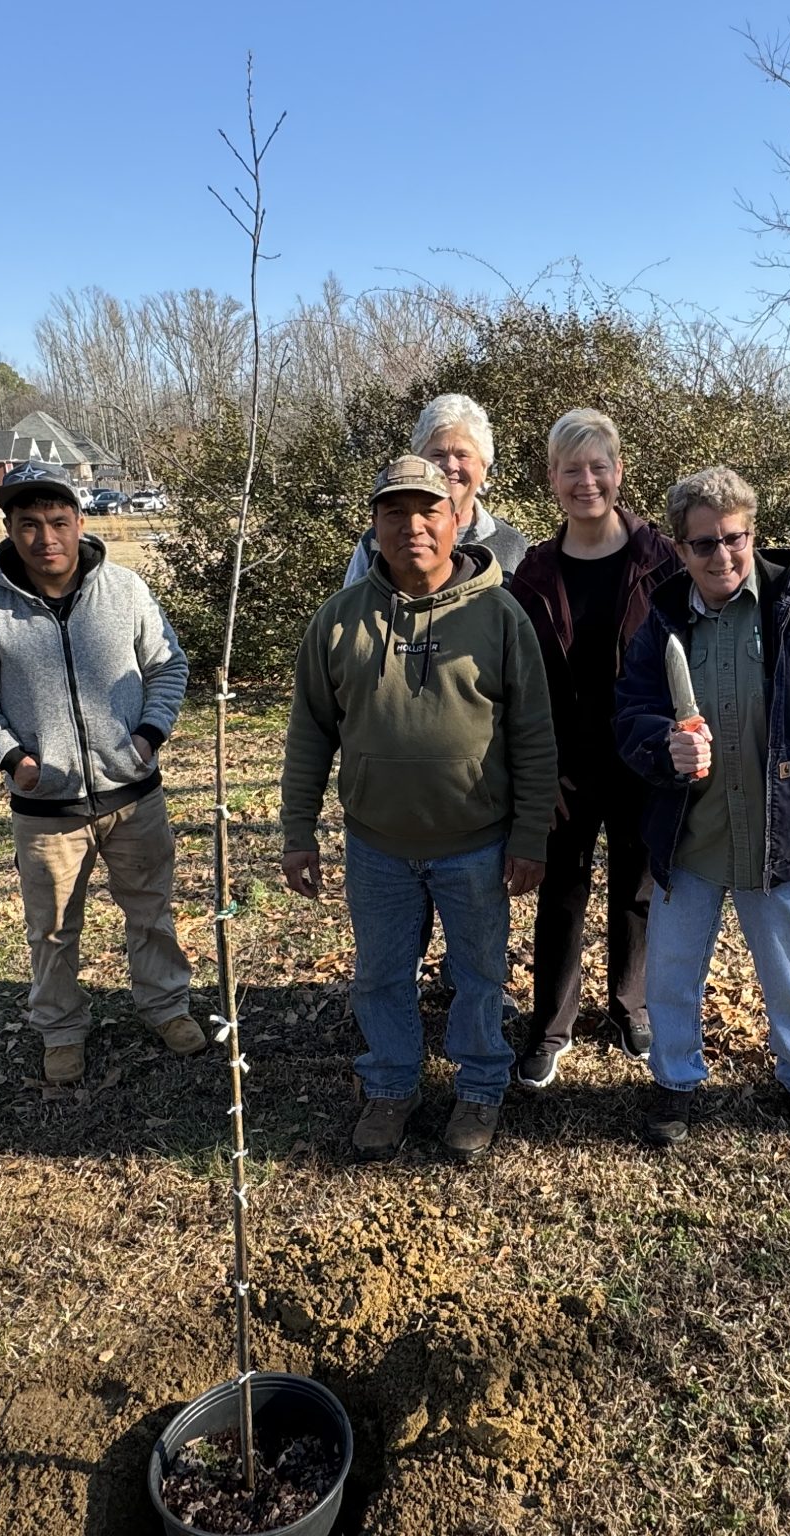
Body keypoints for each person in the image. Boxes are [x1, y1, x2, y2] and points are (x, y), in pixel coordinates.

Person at [281, 454, 556, 1163]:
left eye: (427, 510)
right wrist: (298, 831)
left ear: (457, 518)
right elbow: (311, 729)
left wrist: (530, 835)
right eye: (394, 512)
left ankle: (480, 1088)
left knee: (478, 975)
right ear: (374, 526)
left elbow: (532, 734)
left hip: (477, 843)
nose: (412, 526)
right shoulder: (338, 621)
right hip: (377, 845)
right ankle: (393, 1085)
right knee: (379, 975)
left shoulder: (500, 616)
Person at [614, 467, 790, 1147]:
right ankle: (674, 1082)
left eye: (734, 538)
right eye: (704, 544)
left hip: (785, 828)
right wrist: (662, 745)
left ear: (753, 533)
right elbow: (630, 714)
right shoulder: (663, 621)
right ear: (679, 549)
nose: (723, 556)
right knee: (674, 972)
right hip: (691, 835)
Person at [0, 460, 198, 1086]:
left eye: (58, 521)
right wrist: (13, 760)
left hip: (134, 795)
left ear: (81, 522)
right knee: (51, 928)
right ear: (9, 528)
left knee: (151, 911)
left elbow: (169, 665)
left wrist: (147, 736)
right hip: (46, 806)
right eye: (29, 524)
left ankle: (165, 1006)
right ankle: (60, 1028)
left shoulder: (126, 591)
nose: (46, 538)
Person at [508, 409, 680, 1087]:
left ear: (619, 471)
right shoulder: (534, 573)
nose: (587, 482)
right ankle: (551, 1026)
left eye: (598, 466)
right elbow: (518, 686)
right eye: (572, 469)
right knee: (562, 893)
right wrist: (533, 773)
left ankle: (630, 1007)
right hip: (564, 764)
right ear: (552, 478)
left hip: (643, 761)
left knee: (638, 888)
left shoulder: (660, 560)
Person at [342, 394, 528, 586]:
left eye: (462, 455)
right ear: (418, 460)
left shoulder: (511, 545)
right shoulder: (376, 542)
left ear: (484, 469)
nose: (450, 465)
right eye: (438, 454)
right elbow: (351, 609)